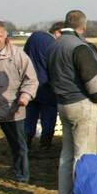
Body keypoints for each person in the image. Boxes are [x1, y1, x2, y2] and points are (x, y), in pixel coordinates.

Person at [47, 10, 97, 194]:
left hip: (62, 103)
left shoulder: (54, 45)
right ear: (84, 25)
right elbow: (91, 80)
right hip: (81, 103)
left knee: (67, 155)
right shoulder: (79, 47)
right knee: (84, 157)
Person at [0, 21, 39, 183]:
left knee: (19, 145)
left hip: (12, 108)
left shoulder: (18, 55)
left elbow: (31, 80)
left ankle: (21, 176)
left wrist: (25, 96)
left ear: (5, 36)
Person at [22, 22, 62, 154]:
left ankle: (26, 143)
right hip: (47, 87)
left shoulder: (34, 37)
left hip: (29, 85)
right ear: (57, 32)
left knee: (29, 117)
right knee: (48, 118)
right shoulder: (53, 43)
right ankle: (45, 145)